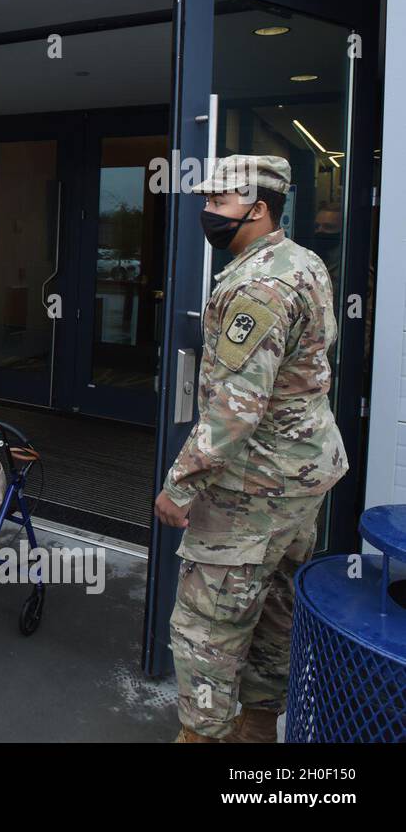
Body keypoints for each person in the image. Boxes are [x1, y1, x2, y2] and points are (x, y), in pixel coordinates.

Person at [154, 154, 348, 744]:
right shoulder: (304, 262)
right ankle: (259, 732)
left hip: (251, 493)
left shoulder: (258, 285)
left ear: (258, 209)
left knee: (206, 628)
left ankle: (204, 737)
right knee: (273, 616)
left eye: (218, 203)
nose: (206, 212)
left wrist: (179, 483)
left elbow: (236, 409)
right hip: (300, 483)